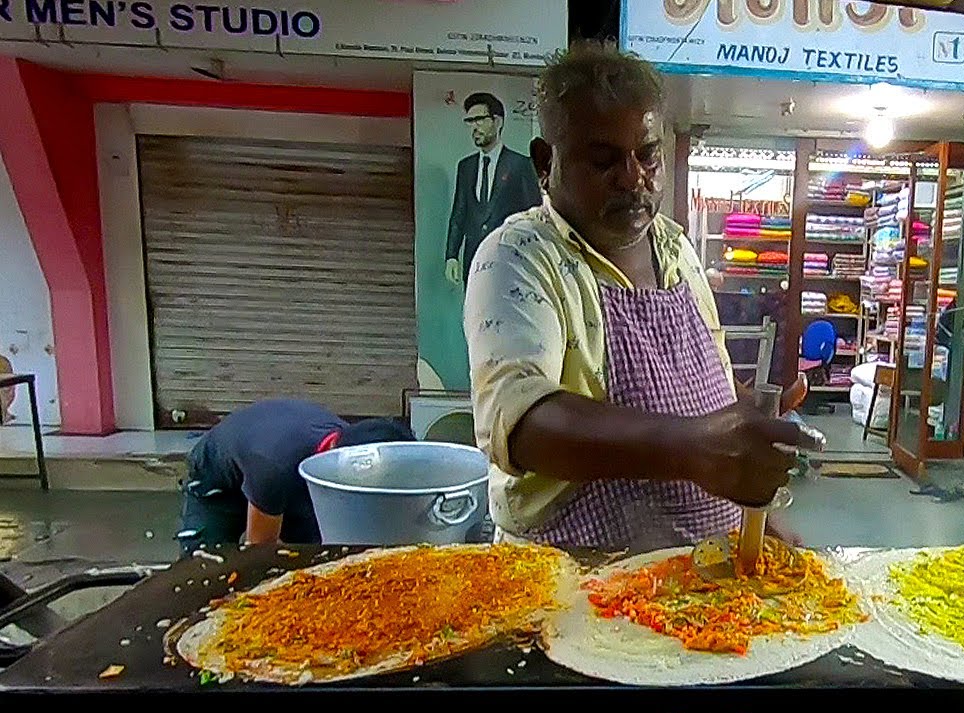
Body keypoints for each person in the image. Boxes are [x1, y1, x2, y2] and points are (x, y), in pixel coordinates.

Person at [464, 43, 813, 552]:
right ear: (546, 163)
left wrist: (752, 426)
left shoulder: (676, 249)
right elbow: (521, 425)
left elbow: (708, 390)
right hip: (571, 579)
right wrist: (694, 448)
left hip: (700, 573)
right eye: (603, 160)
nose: (632, 179)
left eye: (647, 155)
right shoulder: (517, 256)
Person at [176, 398, 414, 555]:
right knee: (210, 567)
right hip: (219, 482)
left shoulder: (347, 443)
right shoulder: (275, 467)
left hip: (284, 471)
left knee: (316, 554)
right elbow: (260, 551)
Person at [445, 92, 542, 286]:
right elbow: (459, 213)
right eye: (470, 121)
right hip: (474, 261)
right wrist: (452, 255)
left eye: (479, 120)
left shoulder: (520, 165)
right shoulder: (466, 167)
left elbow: (534, 214)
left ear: (497, 122)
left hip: (510, 260)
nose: (474, 127)